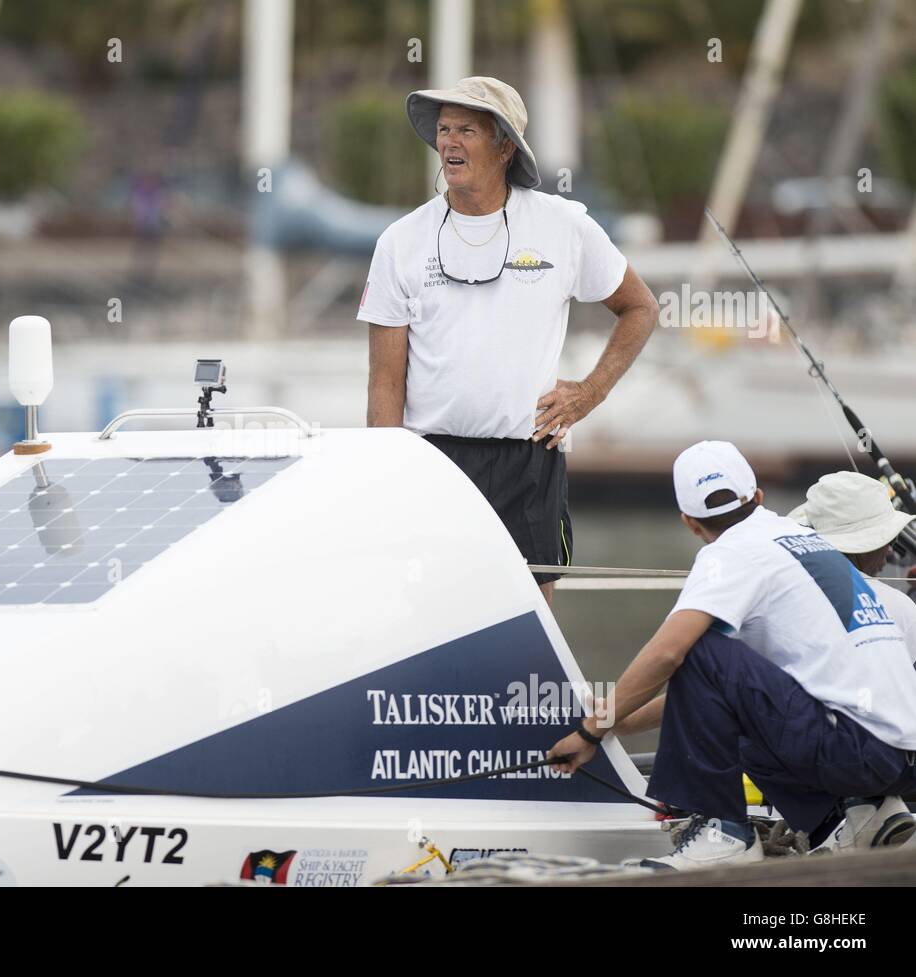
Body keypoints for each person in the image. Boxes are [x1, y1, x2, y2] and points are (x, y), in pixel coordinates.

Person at [359, 77, 658, 606]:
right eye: (443, 129)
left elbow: (640, 308)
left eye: (466, 130)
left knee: (530, 623)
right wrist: (385, 480)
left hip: (530, 460)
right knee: (431, 613)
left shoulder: (563, 225)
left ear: (504, 147)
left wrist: (589, 394)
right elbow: (385, 383)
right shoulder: (399, 241)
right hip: (434, 461)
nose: (449, 142)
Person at [547, 441, 916, 870]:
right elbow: (726, 692)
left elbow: (672, 655)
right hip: (901, 760)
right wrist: (621, 721)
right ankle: (857, 820)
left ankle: (725, 831)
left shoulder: (732, 552)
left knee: (697, 645)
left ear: (689, 522)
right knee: (731, 695)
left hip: (859, 755)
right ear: (758, 497)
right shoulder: (802, 542)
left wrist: (592, 731)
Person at [789, 471, 916, 663]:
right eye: (889, 538)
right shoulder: (900, 609)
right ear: (864, 546)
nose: (890, 550)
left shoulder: (786, 591)